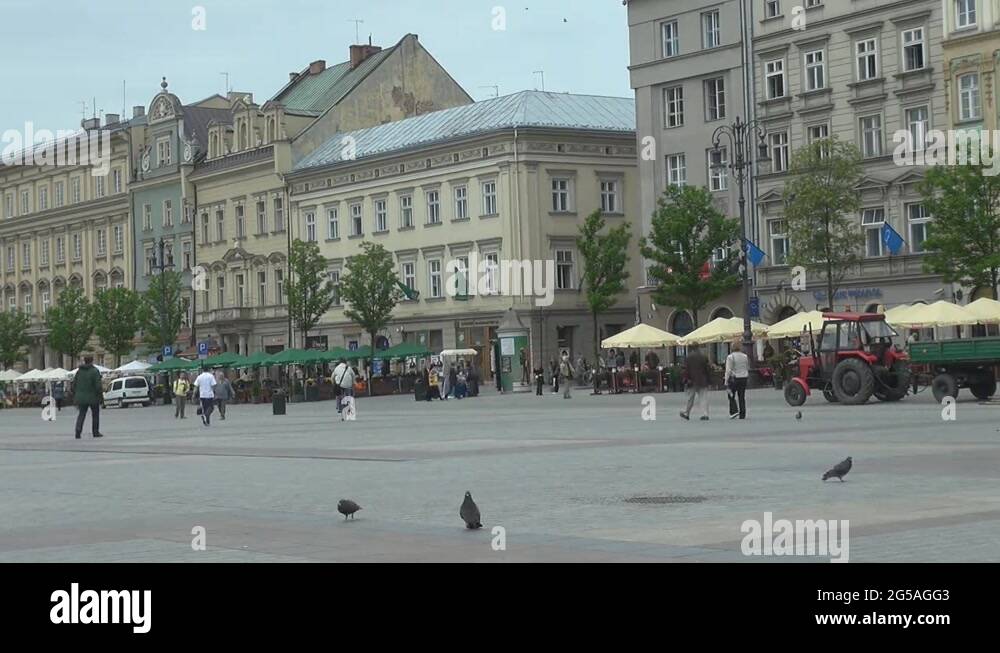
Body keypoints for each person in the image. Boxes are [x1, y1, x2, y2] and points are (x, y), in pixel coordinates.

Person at [73, 356, 104, 439]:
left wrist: (76, 395)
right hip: (93, 397)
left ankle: (78, 431)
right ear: (92, 361)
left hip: (81, 398)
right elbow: (98, 386)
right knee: (95, 415)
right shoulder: (94, 371)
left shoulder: (79, 371)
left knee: (81, 414)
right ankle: (95, 432)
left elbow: (74, 384)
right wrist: (101, 397)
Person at [680, 345, 711, 421]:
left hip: (692, 380)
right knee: (703, 398)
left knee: (690, 398)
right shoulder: (703, 357)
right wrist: (709, 380)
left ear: (691, 349)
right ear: (698, 348)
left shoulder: (688, 357)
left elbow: (686, 370)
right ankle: (705, 414)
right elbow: (707, 369)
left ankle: (687, 413)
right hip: (702, 380)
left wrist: (686, 379)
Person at [725, 341, 750, 420]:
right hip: (744, 377)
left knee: (731, 395)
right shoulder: (745, 356)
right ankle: (743, 413)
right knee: (741, 396)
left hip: (734, 378)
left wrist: (726, 380)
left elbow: (728, 370)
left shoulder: (730, 357)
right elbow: (746, 366)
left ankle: (734, 411)